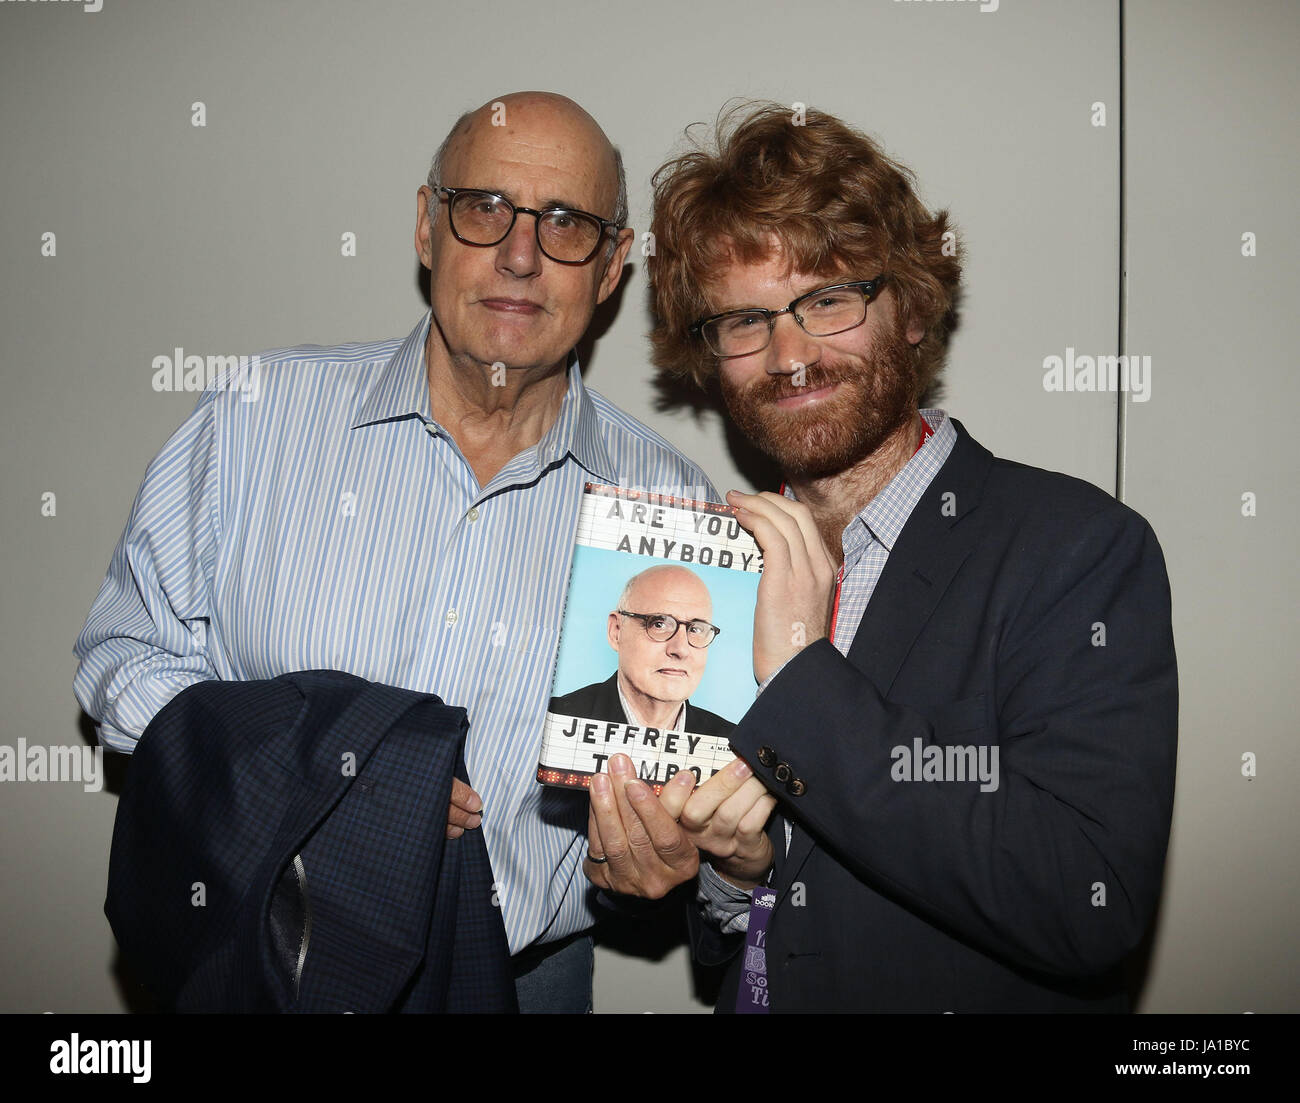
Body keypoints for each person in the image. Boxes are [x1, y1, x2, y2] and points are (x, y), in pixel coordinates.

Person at [73, 91, 717, 1013]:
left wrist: (664, 856)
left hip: (521, 984)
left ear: (613, 267)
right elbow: (121, 659)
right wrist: (306, 761)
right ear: (427, 227)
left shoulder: (675, 511)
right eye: (484, 207)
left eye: (566, 222)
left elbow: (671, 814)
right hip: (260, 941)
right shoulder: (255, 419)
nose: (521, 254)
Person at [583, 102, 1178, 1012]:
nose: (788, 355)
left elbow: (1083, 901)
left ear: (909, 306)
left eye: (827, 300)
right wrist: (738, 876)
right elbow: (769, 914)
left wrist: (800, 676)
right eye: (743, 320)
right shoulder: (712, 572)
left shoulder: (1076, 548)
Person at [549, 565, 733, 737]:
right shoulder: (551, 720)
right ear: (616, 631)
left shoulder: (733, 743)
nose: (681, 649)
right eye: (659, 624)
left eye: (695, 629)